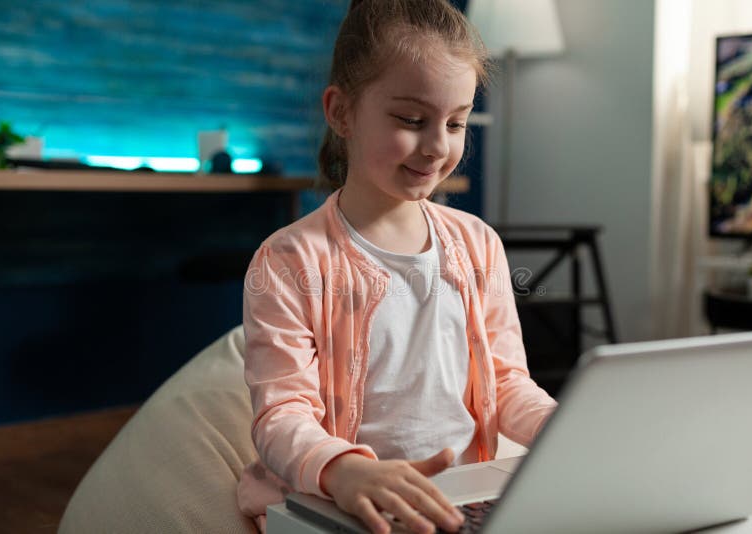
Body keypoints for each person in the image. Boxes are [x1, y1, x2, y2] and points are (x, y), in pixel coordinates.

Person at [237, 1, 558, 532]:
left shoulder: (478, 244)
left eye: (456, 123)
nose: (437, 146)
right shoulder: (288, 260)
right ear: (341, 112)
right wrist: (344, 472)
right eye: (412, 120)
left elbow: (505, 383)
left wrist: (563, 430)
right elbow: (280, 415)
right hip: (340, 499)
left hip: (462, 495)